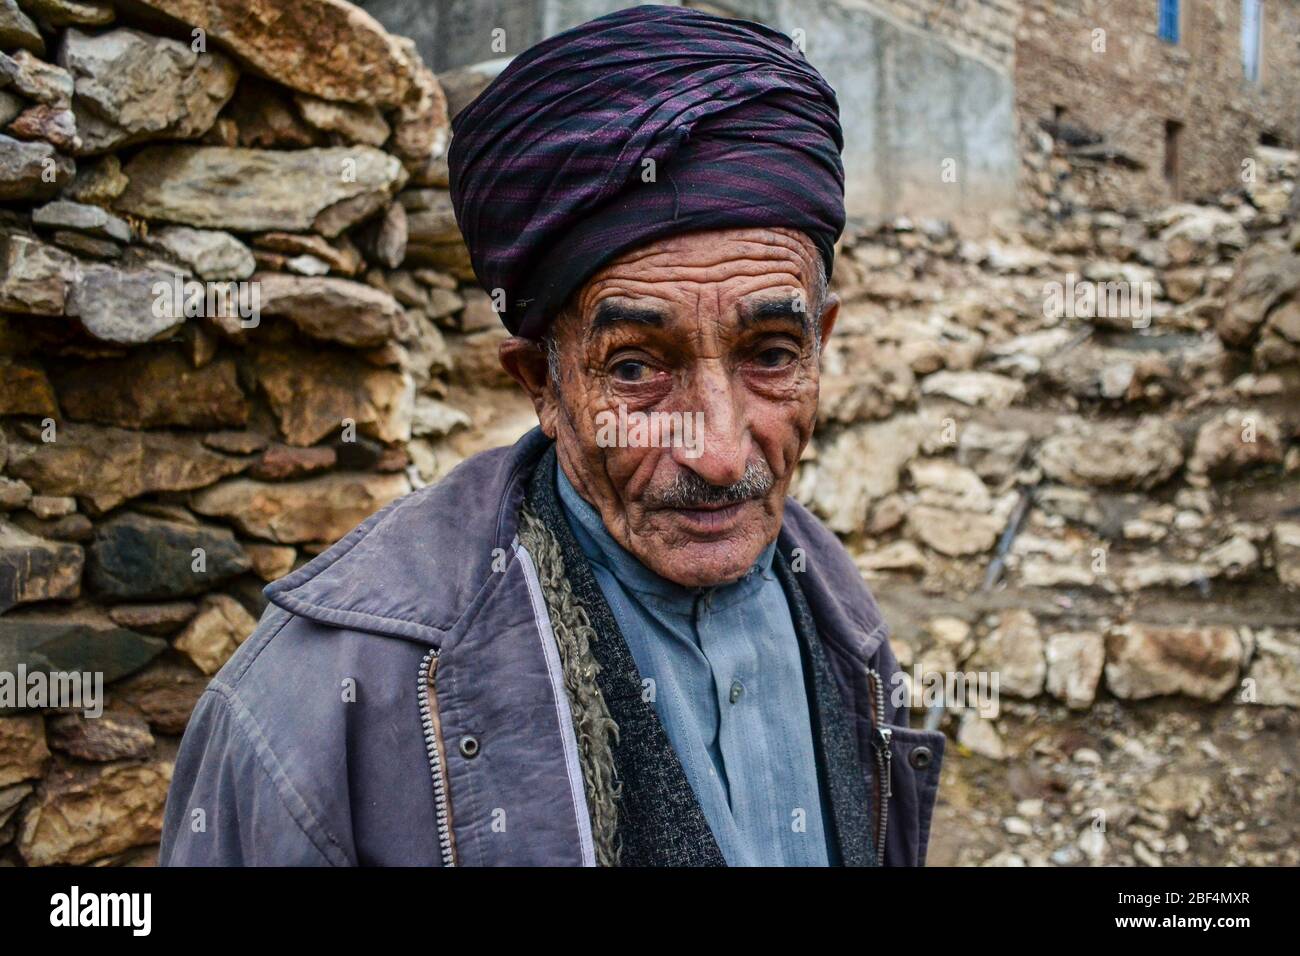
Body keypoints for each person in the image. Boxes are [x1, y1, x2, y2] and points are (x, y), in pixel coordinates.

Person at [161, 4, 944, 867]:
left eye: (771, 353)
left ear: (821, 343)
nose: (720, 452)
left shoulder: (836, 608)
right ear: (542, 382)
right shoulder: (315, 711)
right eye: (638, 368)